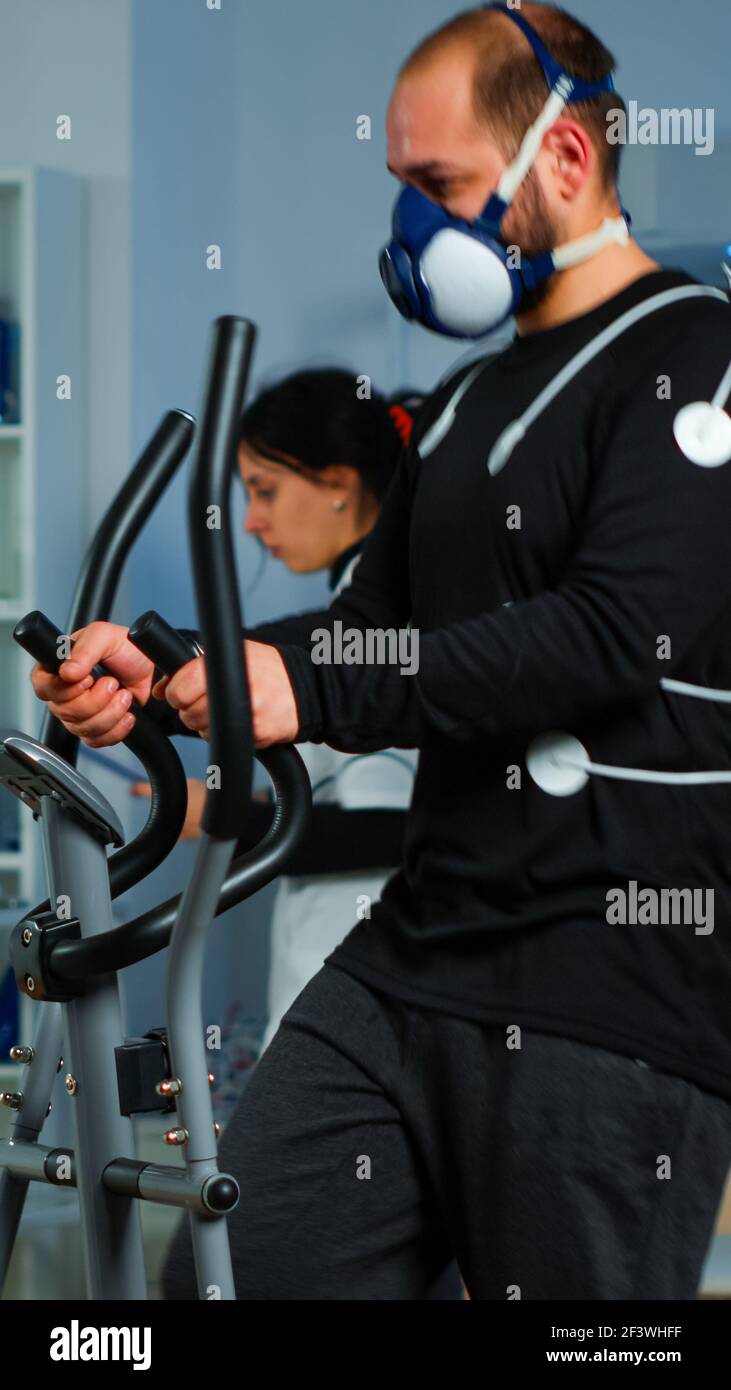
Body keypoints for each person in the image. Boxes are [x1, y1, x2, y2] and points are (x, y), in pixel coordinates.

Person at [31, 3, 731, 1301]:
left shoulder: (693, 356)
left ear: (564, 158)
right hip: (409, 958)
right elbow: (362, 629)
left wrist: (302, 682)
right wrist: (170, 680)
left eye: (441, 185)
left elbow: (607, 634)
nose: (414, 224)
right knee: (228, 1283)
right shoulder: (464, 402)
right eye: (401, 183)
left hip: (602, 979)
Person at [131, 368, 421, 1055]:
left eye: (265, 491)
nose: (252, 522)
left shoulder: (397, 628)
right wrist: (150, 685)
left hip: (374, 981)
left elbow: (402, 831)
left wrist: (227, 815)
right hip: (338, 972)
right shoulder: (347, 617)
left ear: (338, 483)